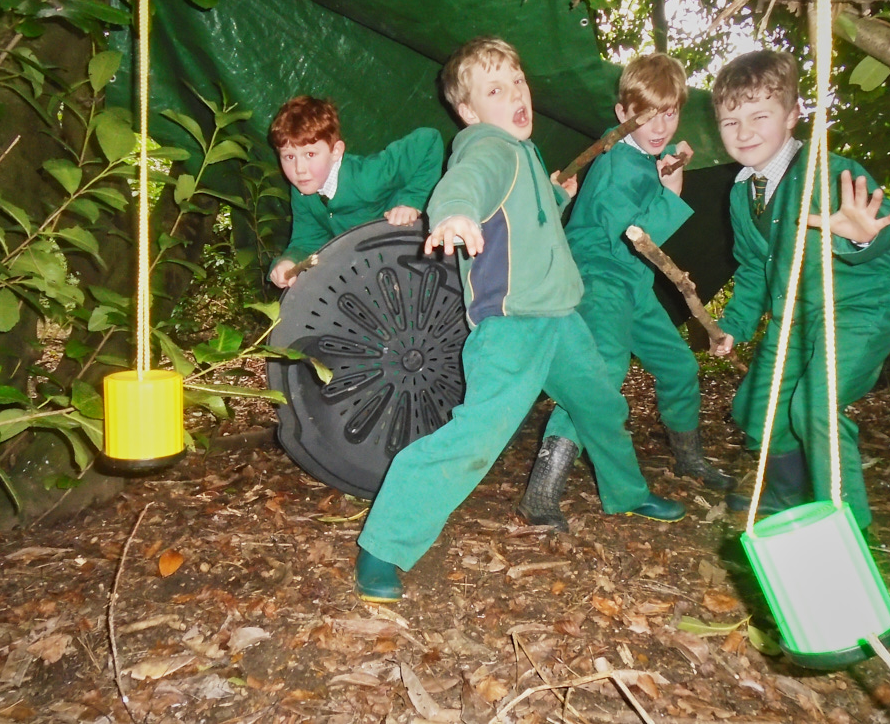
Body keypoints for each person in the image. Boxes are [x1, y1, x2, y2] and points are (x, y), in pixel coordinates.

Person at [353, 36, 685, 603]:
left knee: (603, 406)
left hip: (559, 318)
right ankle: (383, 545)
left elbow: (522, 223)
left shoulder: (522, 152)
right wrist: (454, 213)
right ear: (468, 111)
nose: (516, 96)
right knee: (477, 434)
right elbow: (468, 184)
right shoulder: (485, 145)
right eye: (495, 89)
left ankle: (626, 491)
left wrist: (553, 197)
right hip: (511, 325)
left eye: (519, 82)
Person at [518, 53, 734, 533]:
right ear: (622, 115)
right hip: (597, 278)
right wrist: (672, 193)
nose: (659, 126)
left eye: (670, 112)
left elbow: (640, 242)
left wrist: (663, 175)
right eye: (646, 114)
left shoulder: (646, 157)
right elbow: (632, 235)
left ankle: (688, 458)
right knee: (600, 374)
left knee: (679, 365)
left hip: (633, 283)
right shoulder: (616, 162)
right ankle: (541, 494)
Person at [709, 50, 890, 531]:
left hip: (863, 303)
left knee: (813, 406)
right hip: (799, 313)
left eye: (760, 115)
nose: (744, 132)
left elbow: (888, 222)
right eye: (729, 121)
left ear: (793, 114)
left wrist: (860, 231)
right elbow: (754, 268)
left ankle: (849, 537)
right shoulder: (742, 193)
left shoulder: (828, 170)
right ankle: (789, 498)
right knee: (755, 407)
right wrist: (733, 326)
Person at [266, 95, 444, 288]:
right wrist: (288, 261)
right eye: (289, 156)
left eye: (310, 154)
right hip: (368, 277)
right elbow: (309, 239)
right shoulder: (303, 192)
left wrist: (411, 202)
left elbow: (429, 141)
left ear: (336, 151)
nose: (299, 169)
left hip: (414, 265)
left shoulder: (368, 178)